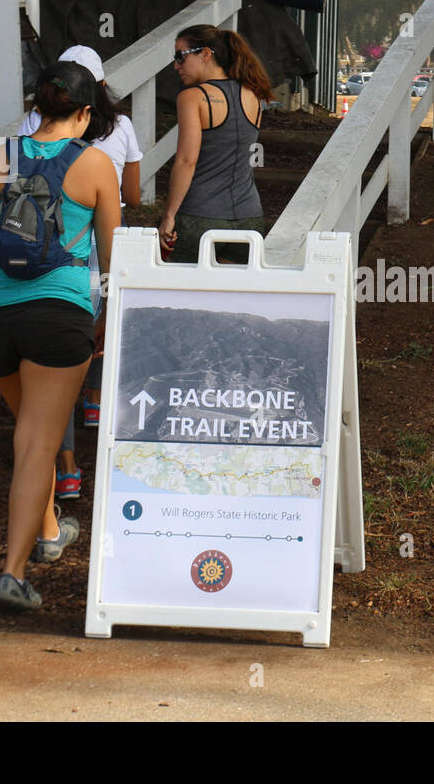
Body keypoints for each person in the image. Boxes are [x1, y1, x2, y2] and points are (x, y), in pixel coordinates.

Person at [0, 60, 121, 610]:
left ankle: (51, 532)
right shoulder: (96, 165)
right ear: (84, 113)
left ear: (38, 106)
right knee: (37, 442)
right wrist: (109, 322)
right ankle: (12, 573)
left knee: (29, 432)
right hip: (60, 316)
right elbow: (113, 261)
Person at [19, 45, 143, 499]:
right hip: (99, 236)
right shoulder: (121, 127)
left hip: (41, 251)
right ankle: (95, 400)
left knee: (51, 371)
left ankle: (67, 469)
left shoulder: (31, 129)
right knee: (99, 321)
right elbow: (131, 192)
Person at [160, 25, 272, 264]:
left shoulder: (192, 97)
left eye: (181, 56)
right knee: (233, 298)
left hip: (199, 217)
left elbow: (187, 161)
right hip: (249, 218)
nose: (176, 66)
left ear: (206, 54)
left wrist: (169, 215)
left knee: (183, 297)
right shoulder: (254, 95)